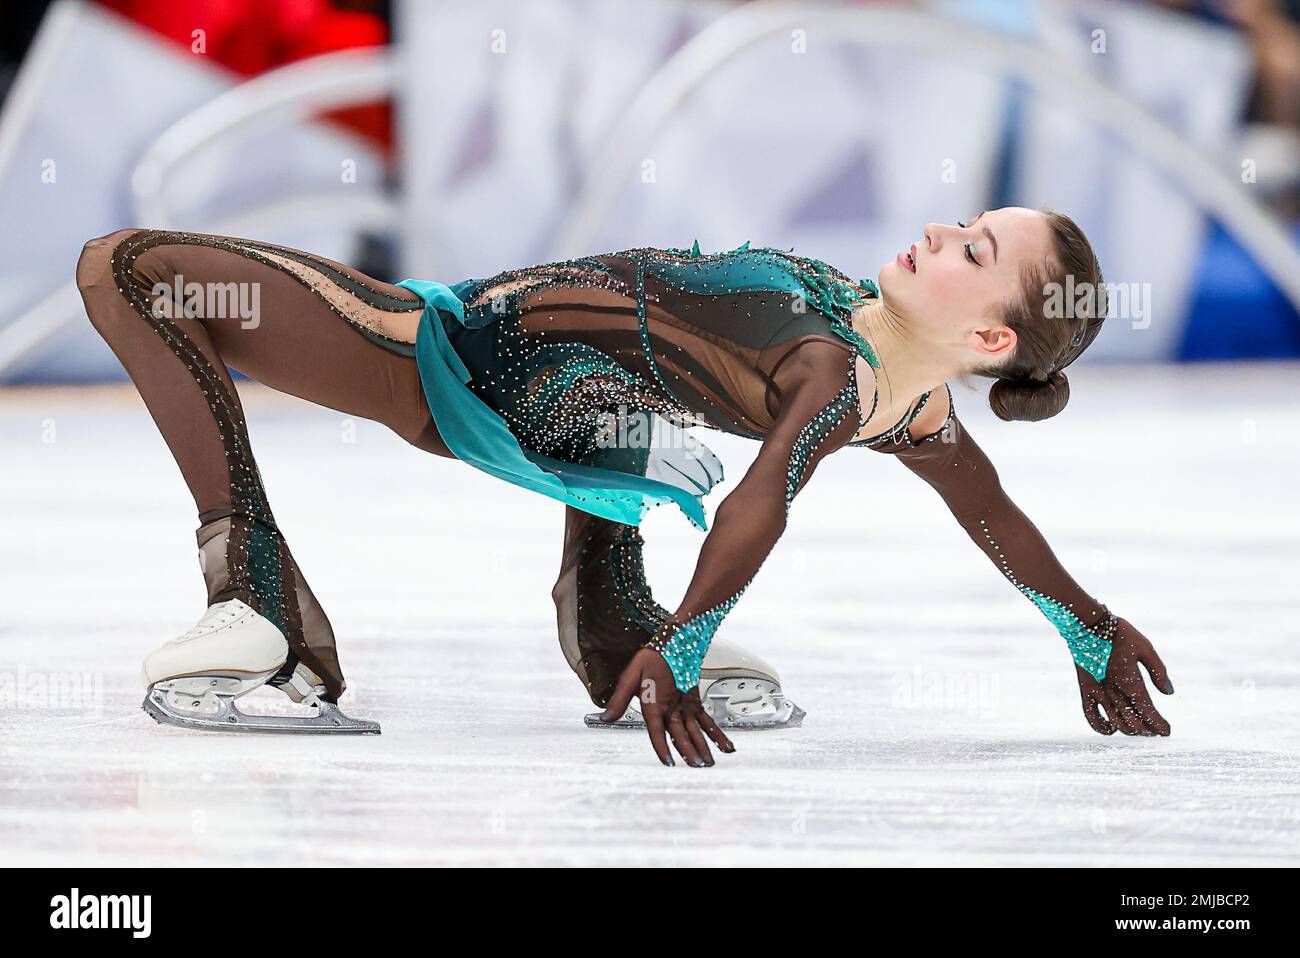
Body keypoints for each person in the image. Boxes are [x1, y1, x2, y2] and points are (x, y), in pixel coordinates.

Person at [74, 207, 1174, 765]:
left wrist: (691, 644)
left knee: (125, 268)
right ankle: (606, 616)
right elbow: (995, 514)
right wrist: (1090, 631)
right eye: (966, 222)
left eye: (974, 250)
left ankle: (256, 592)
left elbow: (763, 503)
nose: (942, 230)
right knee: (641, 404)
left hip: (437, 353)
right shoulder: (910, 403)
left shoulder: (839, 374)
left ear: (987, 333)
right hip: (548, 394)